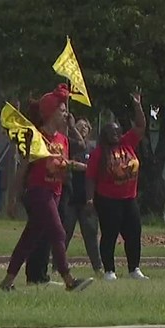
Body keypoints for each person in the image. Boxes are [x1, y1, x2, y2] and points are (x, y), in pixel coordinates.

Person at [0, 84, 93, 293]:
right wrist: (12, 198)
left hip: (55, 192)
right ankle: (69, 280)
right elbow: (23, 169)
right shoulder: (37, 138)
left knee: (29, 238)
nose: (66, 114)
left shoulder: (63, 139)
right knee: (58, 232)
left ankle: (7, 281)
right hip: (39, 191)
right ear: (50, 112)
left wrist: (85, 167)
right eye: (62, 110)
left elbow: (63, 163)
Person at [86, 93, 148, 281]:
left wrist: (137, 106)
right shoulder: (99, 153)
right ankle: (109, 270)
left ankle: (134, 268)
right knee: (109, 234)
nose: (115, 134)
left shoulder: (127, 142)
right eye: (111, 132)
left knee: (134, 233)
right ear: (104, 135)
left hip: (129, 198)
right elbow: (90, 177)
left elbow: (141, 126)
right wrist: (90, 199)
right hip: (107, 200)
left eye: (117, 131)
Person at [63, 116, 102, 276]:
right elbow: (64, 163)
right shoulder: (68, 145)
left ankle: (98, 268)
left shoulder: (93, 148)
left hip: (87, 198)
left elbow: (98, 169)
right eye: (79, 125)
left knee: (91, 235)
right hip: (70, 197)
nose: (83, 128)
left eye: (86, 126)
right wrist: (78, 166)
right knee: (65, 234)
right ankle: (57, 266)